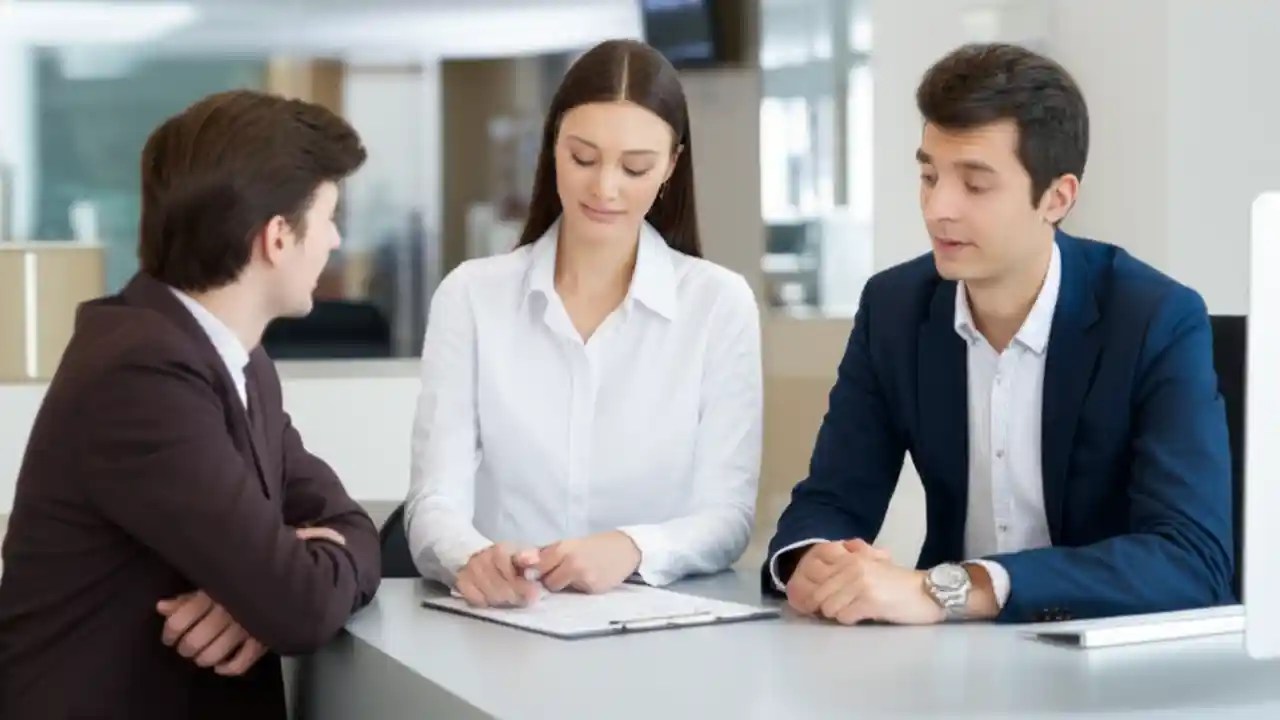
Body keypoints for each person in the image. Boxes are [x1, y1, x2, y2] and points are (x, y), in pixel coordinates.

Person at [765, 43, 1234, 625]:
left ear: (1056, 198)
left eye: (976, 185)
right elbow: (832, 499)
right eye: (929, 175)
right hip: (951, 664)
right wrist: (813, 559)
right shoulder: (894, 308)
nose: (939, 208)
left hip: (1104, 665)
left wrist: (949, 590)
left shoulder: (1154, 318)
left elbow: (1191, 559)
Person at [0, 90, 381, 718]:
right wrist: (276, 587)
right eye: (329, 218)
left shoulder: (237, 362)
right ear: (277, 238)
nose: (336, 241)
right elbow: (298, 606)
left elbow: (350, 525)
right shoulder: (140, 374)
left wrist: (283, 578)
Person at [405, 39, 763, 607]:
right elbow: (433, 504)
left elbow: (727, 516)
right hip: (502, 627)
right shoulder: (472, 296)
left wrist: (632, 547)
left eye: (635, 167)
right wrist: (473, 559)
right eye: (583, 158)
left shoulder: (718, 305)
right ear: (551, 149)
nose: (605, 188)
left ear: (672, 164)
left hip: (655, 628)